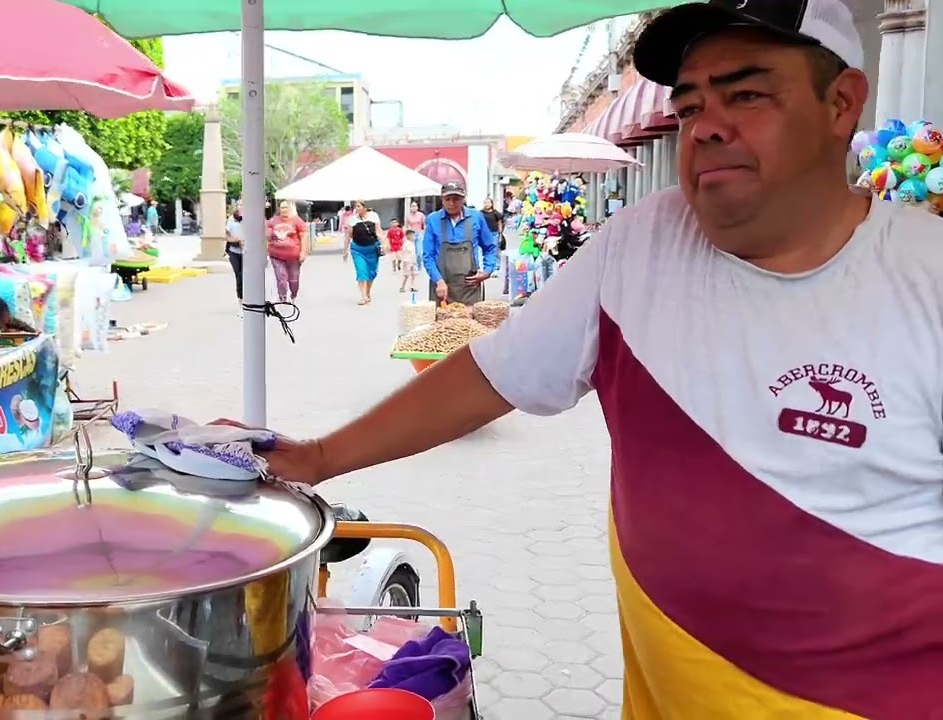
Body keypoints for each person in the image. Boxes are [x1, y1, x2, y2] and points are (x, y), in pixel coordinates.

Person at [242, 1, 943, 716]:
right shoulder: (638, 245)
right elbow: (493, 373)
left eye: (748, 94)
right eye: (691, 104)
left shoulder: (926, 279)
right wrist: (320, 458)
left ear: (842, 104)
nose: (707, 125)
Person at [420, 181, 498, 307]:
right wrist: (438, 280)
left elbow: (489, 247)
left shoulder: (476, 217)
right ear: (442, 199)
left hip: (470, 288)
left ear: (463, 198)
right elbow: (428, 255)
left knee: (471, 324)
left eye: (456, 199)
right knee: (444, 325)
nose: (451, 203)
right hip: (442, 288)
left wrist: (487, 271)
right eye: (448, 199)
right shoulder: (433, 220)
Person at [266, 200, 308, 303]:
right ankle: (283, 298)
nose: (284, 210)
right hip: (276, 255)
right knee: (281, 278)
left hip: (294, 256)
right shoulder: (273, 221)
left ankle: (293, 295)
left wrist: (303, 252)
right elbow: (267, 236)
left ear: (290, 208)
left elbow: (304, 237)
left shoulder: (297, 221)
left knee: (294, 279)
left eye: (286, 207)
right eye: (282, 207)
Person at [343, 200, 383, 305]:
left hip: (372, 248)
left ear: (365, 207)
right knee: (361, 272)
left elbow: (378, 231)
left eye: (359, 206)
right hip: (358, 249)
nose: (357, 208)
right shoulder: (351, 220)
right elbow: (348, 235)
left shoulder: (373, 216)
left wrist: (384, 244)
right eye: (356, 207)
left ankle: (368, 292)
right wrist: (345, 250)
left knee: (372, 272)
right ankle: (363, 296)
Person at [226, 200, 245, 313]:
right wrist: (235, 240)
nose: (241, 208)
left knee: (246, 276)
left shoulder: (250, 219)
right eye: (239, 205)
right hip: (234, 251)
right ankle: (240, 302)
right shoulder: (231, 220)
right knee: (239, 276)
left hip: (247, 252)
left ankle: (248, 300)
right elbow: (227, 235)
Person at [398, 228, 420, 294]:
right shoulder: (406, 244)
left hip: (413, 261)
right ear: (408, 236)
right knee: (406, 275)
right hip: (407, 261)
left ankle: (412, 286)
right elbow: (403, 252)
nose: (414, 237)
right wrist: (402, 260)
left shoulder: (413, 243)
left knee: (414, 274)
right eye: (413, 236)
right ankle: (402, 286)